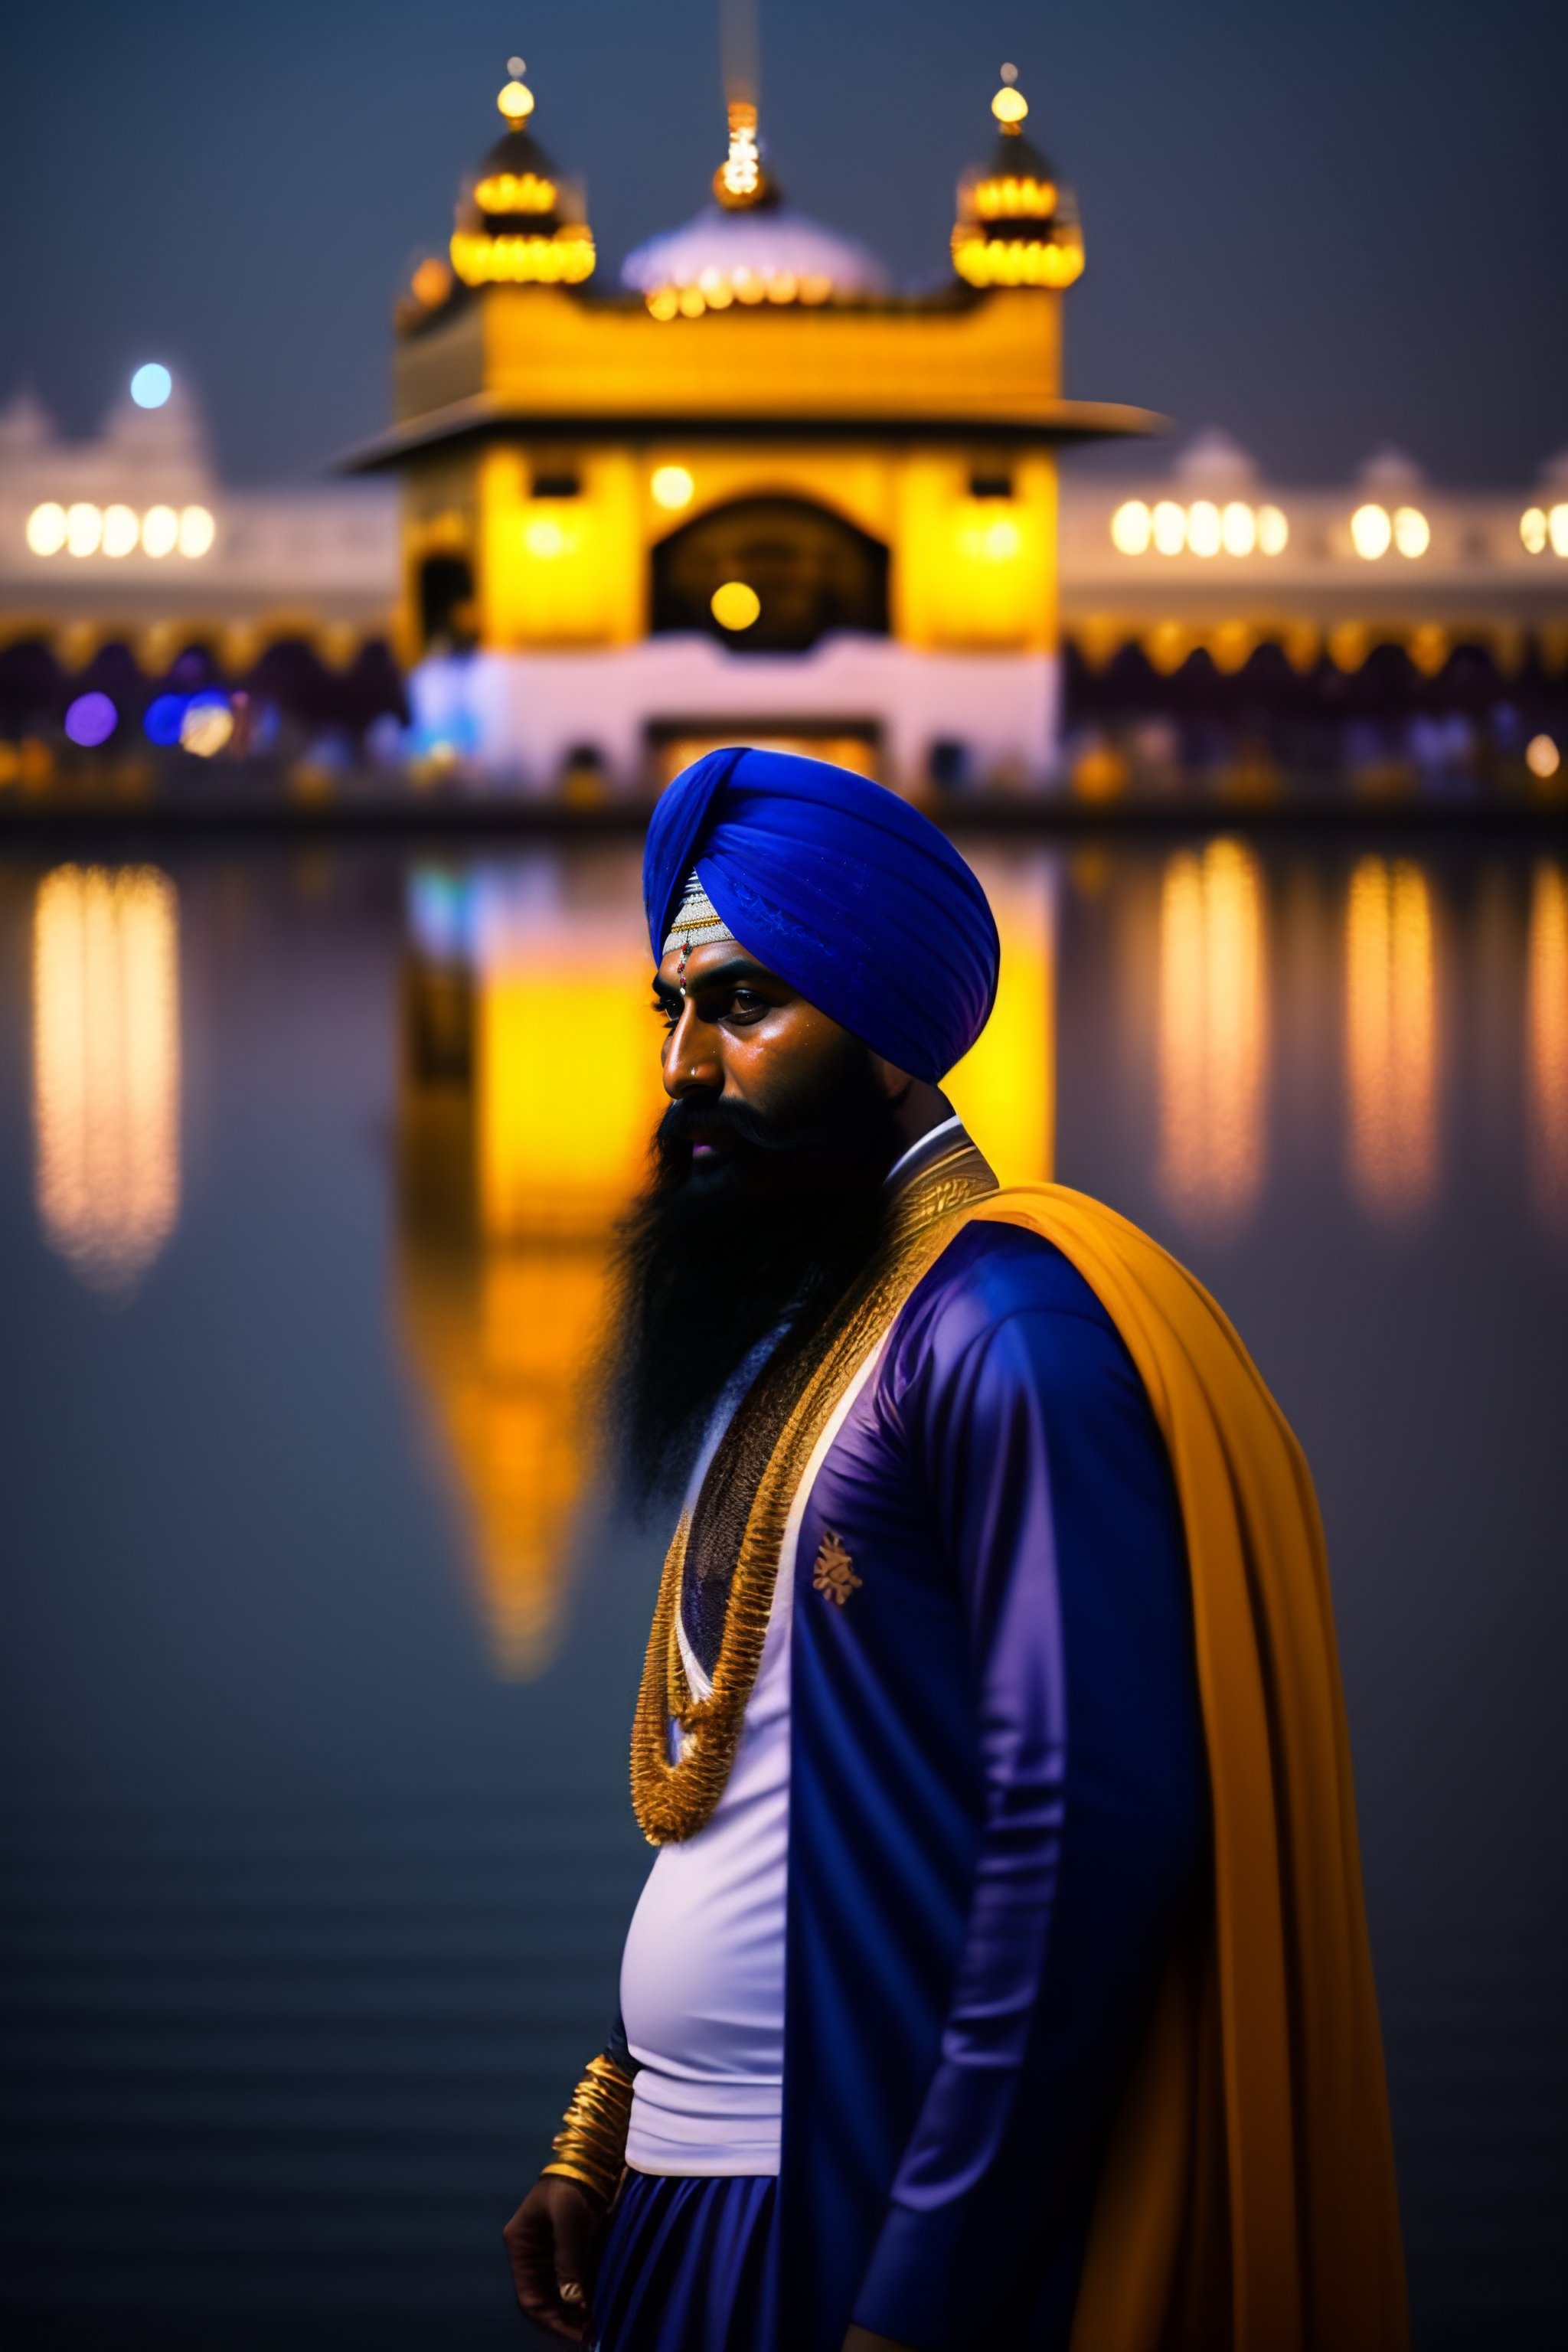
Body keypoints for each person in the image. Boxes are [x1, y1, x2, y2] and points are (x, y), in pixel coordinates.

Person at [503, 746, 1406, 2352]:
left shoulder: (1004, 1326)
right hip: (687, 2207)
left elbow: (1090, 1831)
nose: (686, 1070)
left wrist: (923, 2295)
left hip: (846, 2221)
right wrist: (610, 2123)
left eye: (747, 1003)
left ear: (889, 1031)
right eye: (673, 1011)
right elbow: (756, 1790)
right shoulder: (832, 1317)